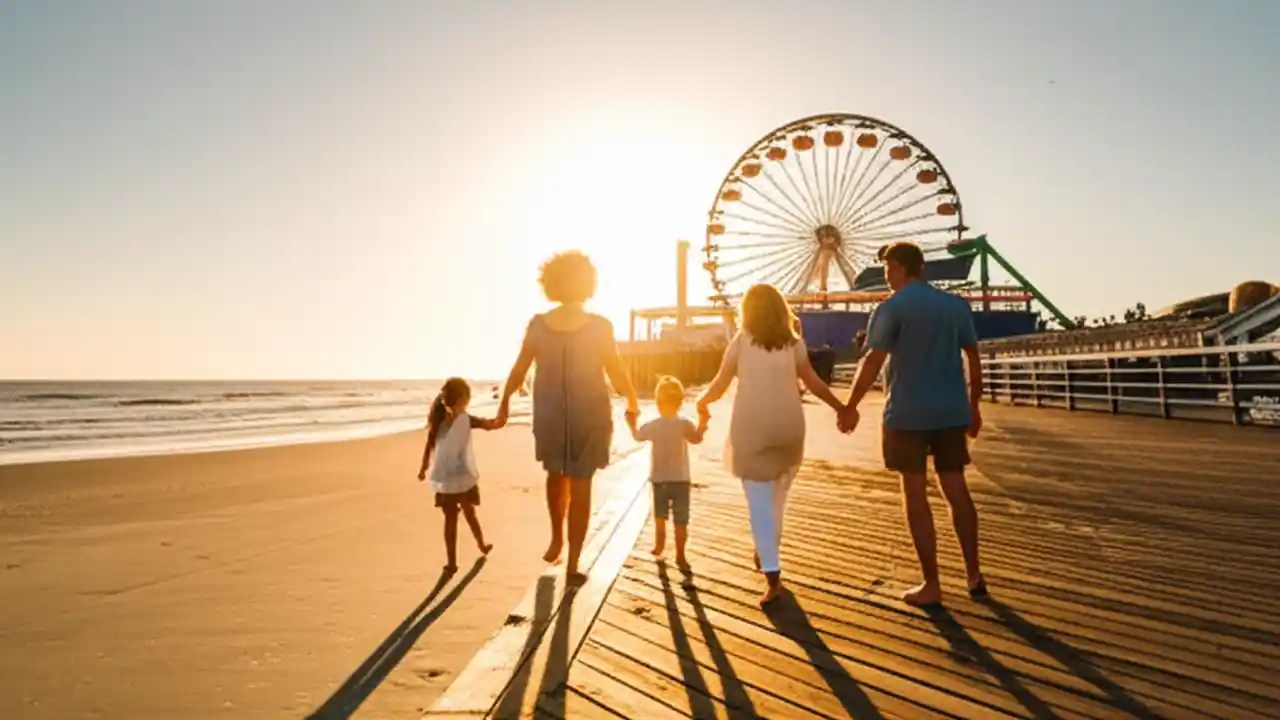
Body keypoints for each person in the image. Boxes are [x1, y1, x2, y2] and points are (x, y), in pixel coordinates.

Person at [840, 241, 987, 607]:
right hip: (951, 411)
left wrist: (850, 406)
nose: (886, 274)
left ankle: (932, 584)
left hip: (907, 413)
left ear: (902, 267)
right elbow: (973, 356)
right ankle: (974, 575)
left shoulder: (891, 308)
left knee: (915, 494)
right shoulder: (956, 307)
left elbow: (873, 361)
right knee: (956, 488)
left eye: (888, 267)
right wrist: (974, 405)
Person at [696, 284, 851, 605]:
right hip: (789, 428)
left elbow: (720, 382)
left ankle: (772, 577)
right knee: (777, 500)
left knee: (759, 505)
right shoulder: (793, 344)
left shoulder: (741, 342)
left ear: (747, 311)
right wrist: (841, 408)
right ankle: (766, 550)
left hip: (752, 430)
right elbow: (812, 381)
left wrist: (702, 402)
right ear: (781, 310)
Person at [498, 251, 640, 586]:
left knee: (559, 476)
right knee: (575, 482)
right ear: (588, 282)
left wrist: (504, 402)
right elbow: (616, 372)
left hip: (565, 414)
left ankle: (563, 545)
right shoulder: (590, 326)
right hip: (582, 414)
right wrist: (632, 400)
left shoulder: (545, 326)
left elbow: (519, 371)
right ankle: (569, 554)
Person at [417, 377, 499, 573]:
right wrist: (423, 467)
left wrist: (502, 414)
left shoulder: (458, 420)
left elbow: (489, 424)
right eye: (466, 401)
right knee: (457, 516)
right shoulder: (442, 422)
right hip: (453, 477)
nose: (466, 405)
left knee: (462, 514)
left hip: (455, 476)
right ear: (461, 399)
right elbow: (430, 445)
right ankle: (456, 559)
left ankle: (476, 546)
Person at [627, 375, 707, 574]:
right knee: (681, 520)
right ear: (680, 402)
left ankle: (659, 545)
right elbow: (696, 439)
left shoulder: (653, 425)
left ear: (657, 401)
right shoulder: (684, 424)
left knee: (660, 516)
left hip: (659, 480)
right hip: (680, 480)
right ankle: (680, 554)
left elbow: (638, 436)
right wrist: (703, 421)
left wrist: (631, 422)